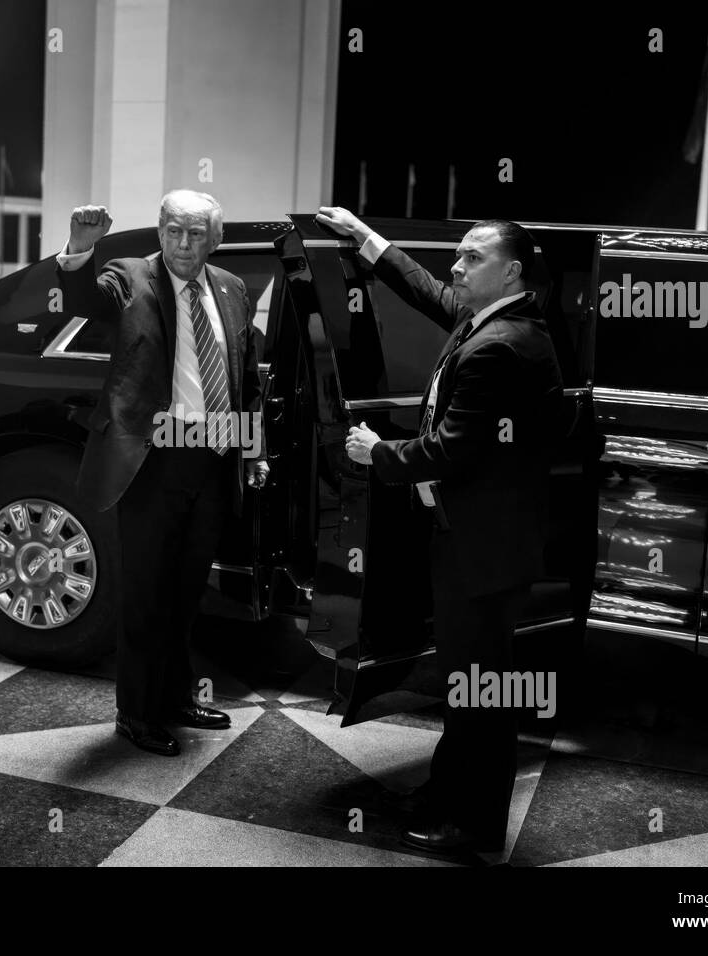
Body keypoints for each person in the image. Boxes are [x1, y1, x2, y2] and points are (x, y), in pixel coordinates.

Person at [322, 206, 563, 855]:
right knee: (472, 686)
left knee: (481, 694)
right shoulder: (496, 320)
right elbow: (428, 290)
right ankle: (447, 792)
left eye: (470, 258)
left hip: (482, 552)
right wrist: (366, 241)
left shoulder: (497, 348)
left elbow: (450, 451)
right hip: (486, 544)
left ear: (509, 270)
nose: (455, 267)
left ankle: (473, 825)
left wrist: (378, 452)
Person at [57, 191, 269, 756]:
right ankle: (136, 713)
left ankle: (175, 697)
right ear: (159, 230)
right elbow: (81, 304)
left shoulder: (231, 288)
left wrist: (255, 451)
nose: (182, 243)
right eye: (173, 230)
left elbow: (246, 380)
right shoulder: (130, 276)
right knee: (146, 592)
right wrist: (80, 250)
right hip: (153, 459)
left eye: (196, 233)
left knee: (185, 591)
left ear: (213, 239)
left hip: (213, 457)